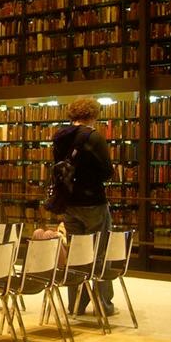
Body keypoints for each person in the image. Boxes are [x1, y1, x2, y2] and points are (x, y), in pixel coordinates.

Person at [53, 97, 115, 316]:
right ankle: (103, 306)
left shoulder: (60, 137)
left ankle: (76, 305)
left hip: (69, 203)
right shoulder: (94, 137)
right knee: (99, 253)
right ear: (93, 115)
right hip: (93, 203)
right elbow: (107, 172)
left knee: (76, 255)